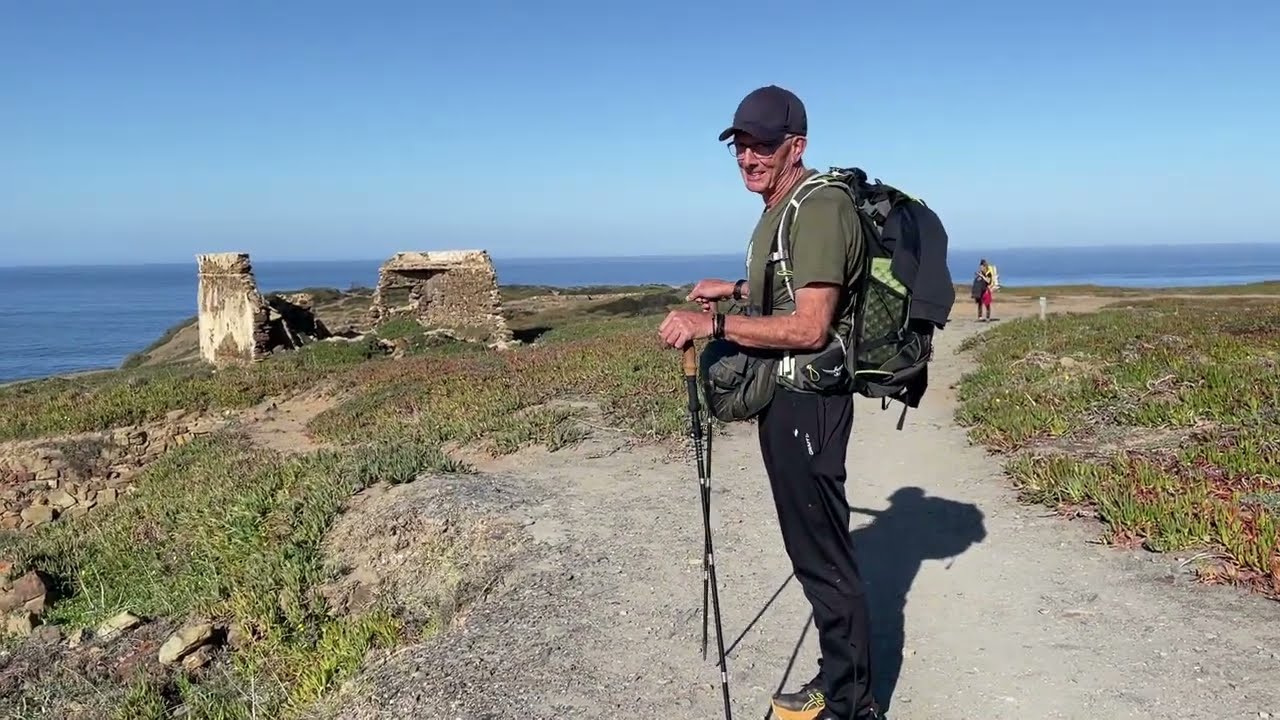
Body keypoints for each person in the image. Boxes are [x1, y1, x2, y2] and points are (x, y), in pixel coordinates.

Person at [657, 85, 880, 720]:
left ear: (796, 146)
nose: (748, 157)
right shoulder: (780, 204)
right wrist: (732, 289)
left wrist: (714, 327)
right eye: (741, 145)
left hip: (809, 401)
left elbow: (811, 326)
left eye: (762, 145)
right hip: (790, 400)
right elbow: (792, 284)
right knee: (812, 550)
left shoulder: (818, 207)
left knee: (823, 557)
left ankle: (854, 706)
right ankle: (839, 682)